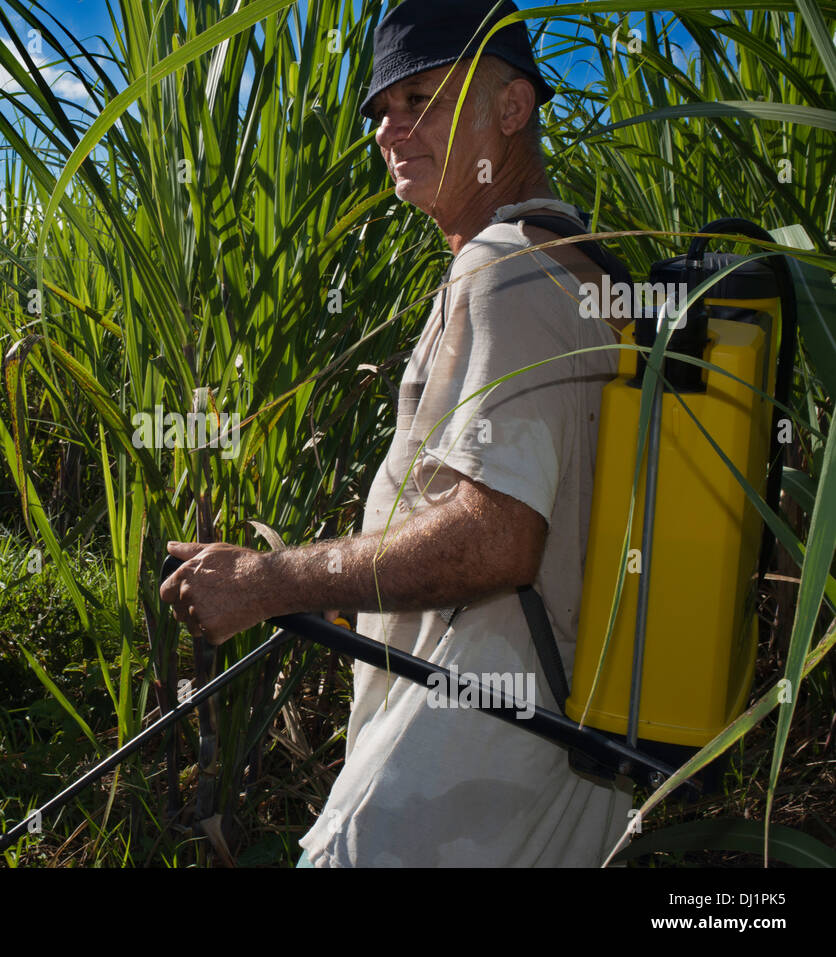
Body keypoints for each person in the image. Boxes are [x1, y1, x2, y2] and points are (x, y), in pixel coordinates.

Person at [159, 0, 634, 866]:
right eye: (381, 108)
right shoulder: (574, 258)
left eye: (423, 97)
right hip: (557, 749)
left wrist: (269, 582)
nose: (390, 127)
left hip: (468, 757)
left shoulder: (507, 268)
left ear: (511, 107)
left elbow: (498, 540)